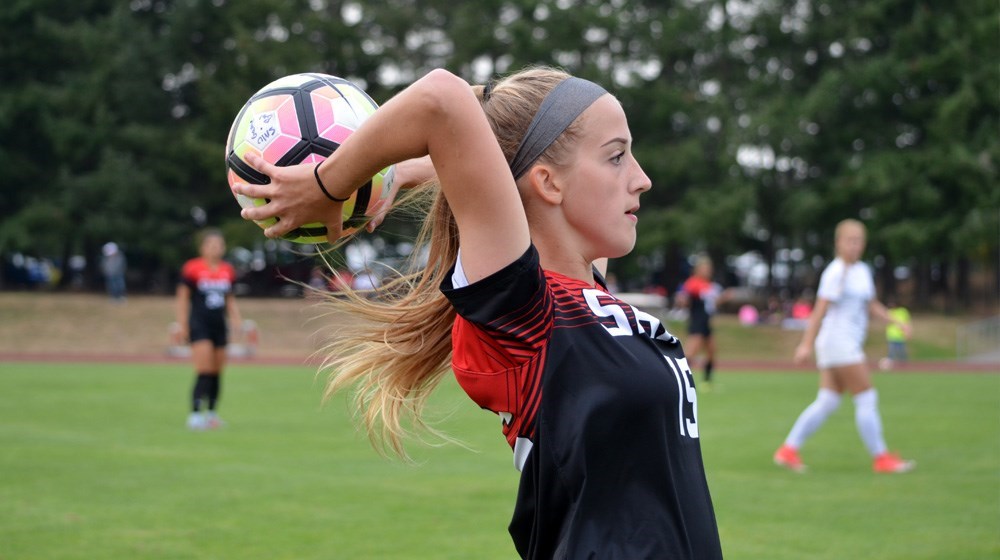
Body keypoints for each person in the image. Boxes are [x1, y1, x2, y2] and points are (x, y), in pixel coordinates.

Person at [231, 67, 722, 559]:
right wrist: (330, 183)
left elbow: (498, 143)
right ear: (548, 183)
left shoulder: (587, 287)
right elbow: (441, 100)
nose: (643, 178)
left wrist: (396, 173)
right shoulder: (524, 310)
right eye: (616, 156)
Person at [774, 219, 915, 474]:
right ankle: (881, 458)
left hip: (842, 344)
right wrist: (805, 344)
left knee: (828, 401)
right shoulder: (835, 272)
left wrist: (895, 320)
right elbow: (819, 311)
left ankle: (788, 449)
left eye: (859, 241)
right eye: (850, 241)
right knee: (867, 397)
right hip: (839, 342)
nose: (855, 246)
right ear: (838, 243)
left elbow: (872, 305)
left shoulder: (862, 270)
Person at [176, 229, 242, 431]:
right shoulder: (192, 268)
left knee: (216, 372)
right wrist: (183, 325)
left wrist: (237, 320)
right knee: (203, 370)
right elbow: (183, 298)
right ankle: (195, 415)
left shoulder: (227, 270)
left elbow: (229, 299)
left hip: (219, 325)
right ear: (202, 247)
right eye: (211, 244)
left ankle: (212, 415)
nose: (216, 248)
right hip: (199, 324)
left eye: (219, 244)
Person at [678, 255, 725, 387]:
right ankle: (681, 381)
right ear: (698, 269)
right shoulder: (693, 283)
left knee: (711, 351)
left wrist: (723, 298)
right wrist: (682, 300)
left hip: (706, 321)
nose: (708, 271)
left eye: (709, 268)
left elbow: (713, 304)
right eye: (705, 268)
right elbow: (684, 296)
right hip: (697, 320)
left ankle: (707, 381)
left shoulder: (709, 285)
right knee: (690, 352)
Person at [880, 298, 911, 370]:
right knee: (891, 353)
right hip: (891, 336)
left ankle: (904, 367)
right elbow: (885, 321)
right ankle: (889, 367)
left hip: (900, 336)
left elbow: (907, 323)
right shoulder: (889, 312)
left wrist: (908, 332)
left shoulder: (902, 311)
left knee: (902, 353)